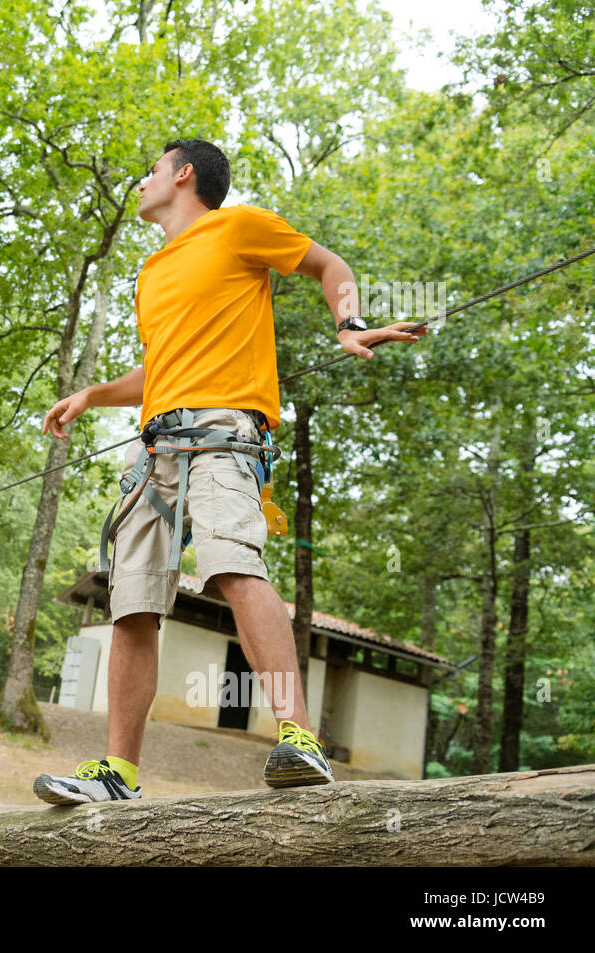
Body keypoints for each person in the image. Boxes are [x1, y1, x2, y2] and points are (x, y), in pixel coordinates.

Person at [33, 139, 428, 804]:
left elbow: (326, 264)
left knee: (234, 568)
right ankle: (118, 775)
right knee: (131, 601)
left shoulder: (239, 226)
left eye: (151, 171)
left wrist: (348, 322)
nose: (141, 183)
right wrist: (93, 394)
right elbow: (161, 369)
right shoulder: (152, 273)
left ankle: (300, 737)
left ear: (183, 174)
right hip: (154, 450)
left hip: (225, 437)